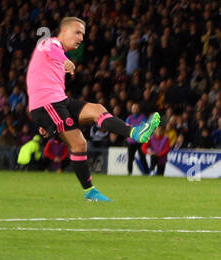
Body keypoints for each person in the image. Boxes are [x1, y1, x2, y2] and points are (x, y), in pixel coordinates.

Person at [25, 16, 160, 202]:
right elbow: (52, 51)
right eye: (77, 32)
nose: (81, 38)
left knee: (97, 109)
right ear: (63, 31)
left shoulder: (57, 52)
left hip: (59, 102)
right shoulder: (49, 43)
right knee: (79, 143)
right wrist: (64, 60)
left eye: (83, 34)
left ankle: (135, 132)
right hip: (47, 105)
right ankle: (89, 191)